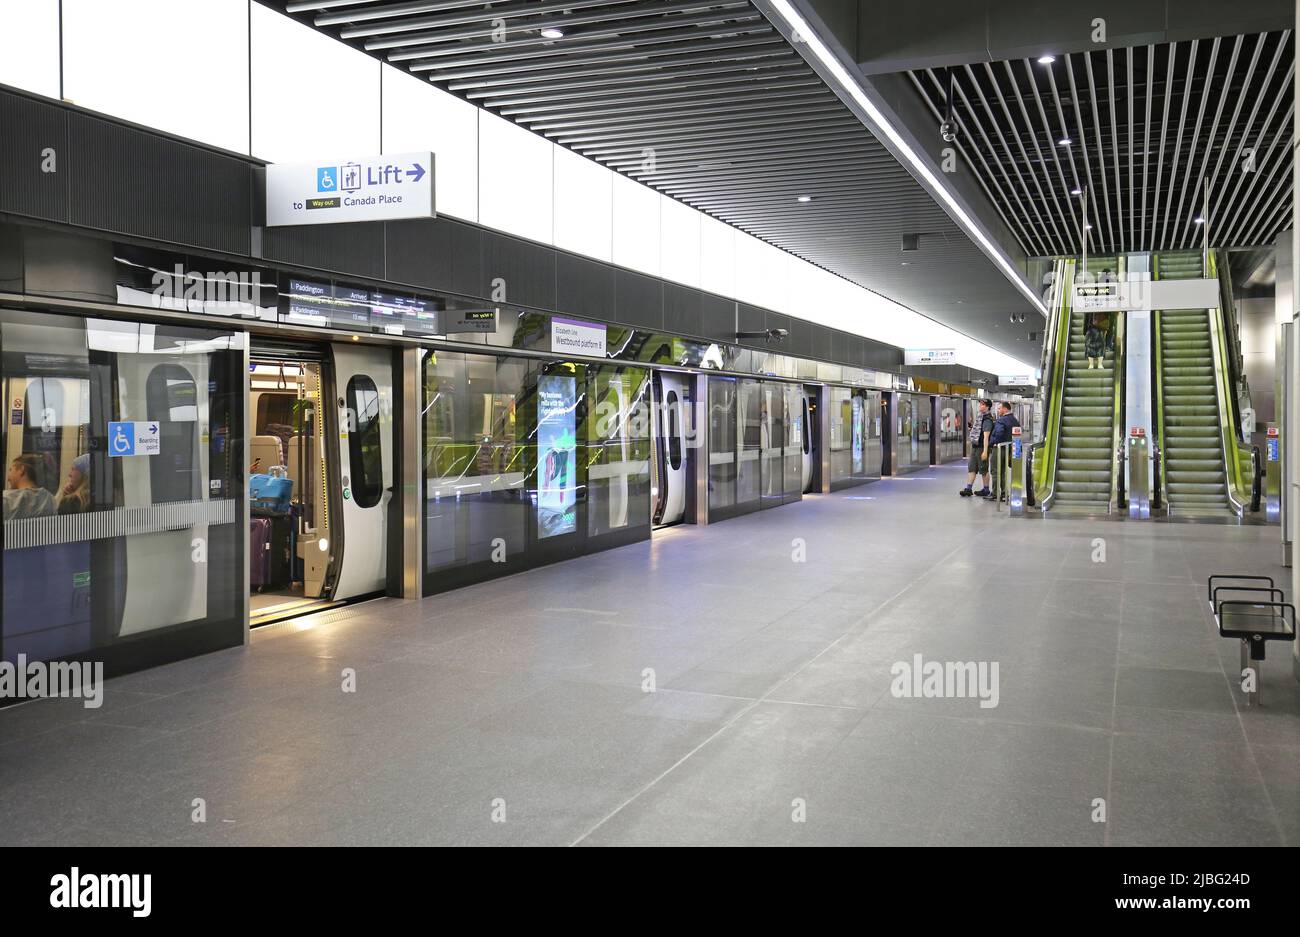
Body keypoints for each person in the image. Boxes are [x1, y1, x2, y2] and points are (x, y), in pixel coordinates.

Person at [984, 402, 1022, 501]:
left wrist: (991, 443)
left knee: (995, 470)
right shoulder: (1015, 420)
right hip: (1009, 449)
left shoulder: (1001, 421)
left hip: (999, 448)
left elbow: (999, 433)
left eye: (999, 408)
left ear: (1005, 409)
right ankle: (1004, 493)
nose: (998, 410)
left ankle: (995, 493)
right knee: (1003, 471)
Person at [4, 453, 56, 519]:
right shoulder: (50, 499)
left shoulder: (6, 499)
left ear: (21, 470)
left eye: (11, 470)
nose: (8, 478)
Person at [959, 399, 994, 497]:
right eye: (980, 404)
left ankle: (986, 489)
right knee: (972, 468)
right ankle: (968, 488)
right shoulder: (980, 417)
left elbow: (986, 436)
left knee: (984, 469)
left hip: (982, 448)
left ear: (987, 407)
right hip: (975, 446)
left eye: (982, 405)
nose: (980, 406)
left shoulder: (987, 420)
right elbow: (977, 431)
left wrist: (985, 451)